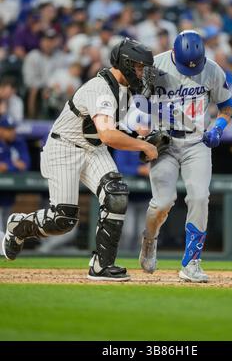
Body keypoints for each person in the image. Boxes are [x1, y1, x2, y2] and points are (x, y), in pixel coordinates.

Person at [2, 38, 158, 282]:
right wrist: (143, 145)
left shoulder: (127, 89)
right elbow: (107, 134)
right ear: (126, 64)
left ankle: (101, 265)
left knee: (115, 194)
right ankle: (18, 226)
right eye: (138, 67)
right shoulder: (100, 88)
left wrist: (149, 135)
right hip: (64, 147)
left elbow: (129, 126)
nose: (142, 72)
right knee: (62, 220)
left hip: (92, 149)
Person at [139, 30, 232, 282]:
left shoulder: (212, 69)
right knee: (163, 202)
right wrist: (145, 126)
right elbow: (136, 106)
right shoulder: (155, 65)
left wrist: (218, 128)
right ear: (173, 53)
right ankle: (149, 241)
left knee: (200, 197)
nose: (191, 69)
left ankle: (192, 262)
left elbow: (227, 107)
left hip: (197, 142)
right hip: (164, 142)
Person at [0, 115, 30, 233]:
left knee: (7, 220)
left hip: (8, 193)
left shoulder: (19, 142)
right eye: (8, 129)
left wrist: (8, 166)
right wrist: (14, 165)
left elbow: (25, 164)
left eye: (13, 129)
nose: (12, 132)